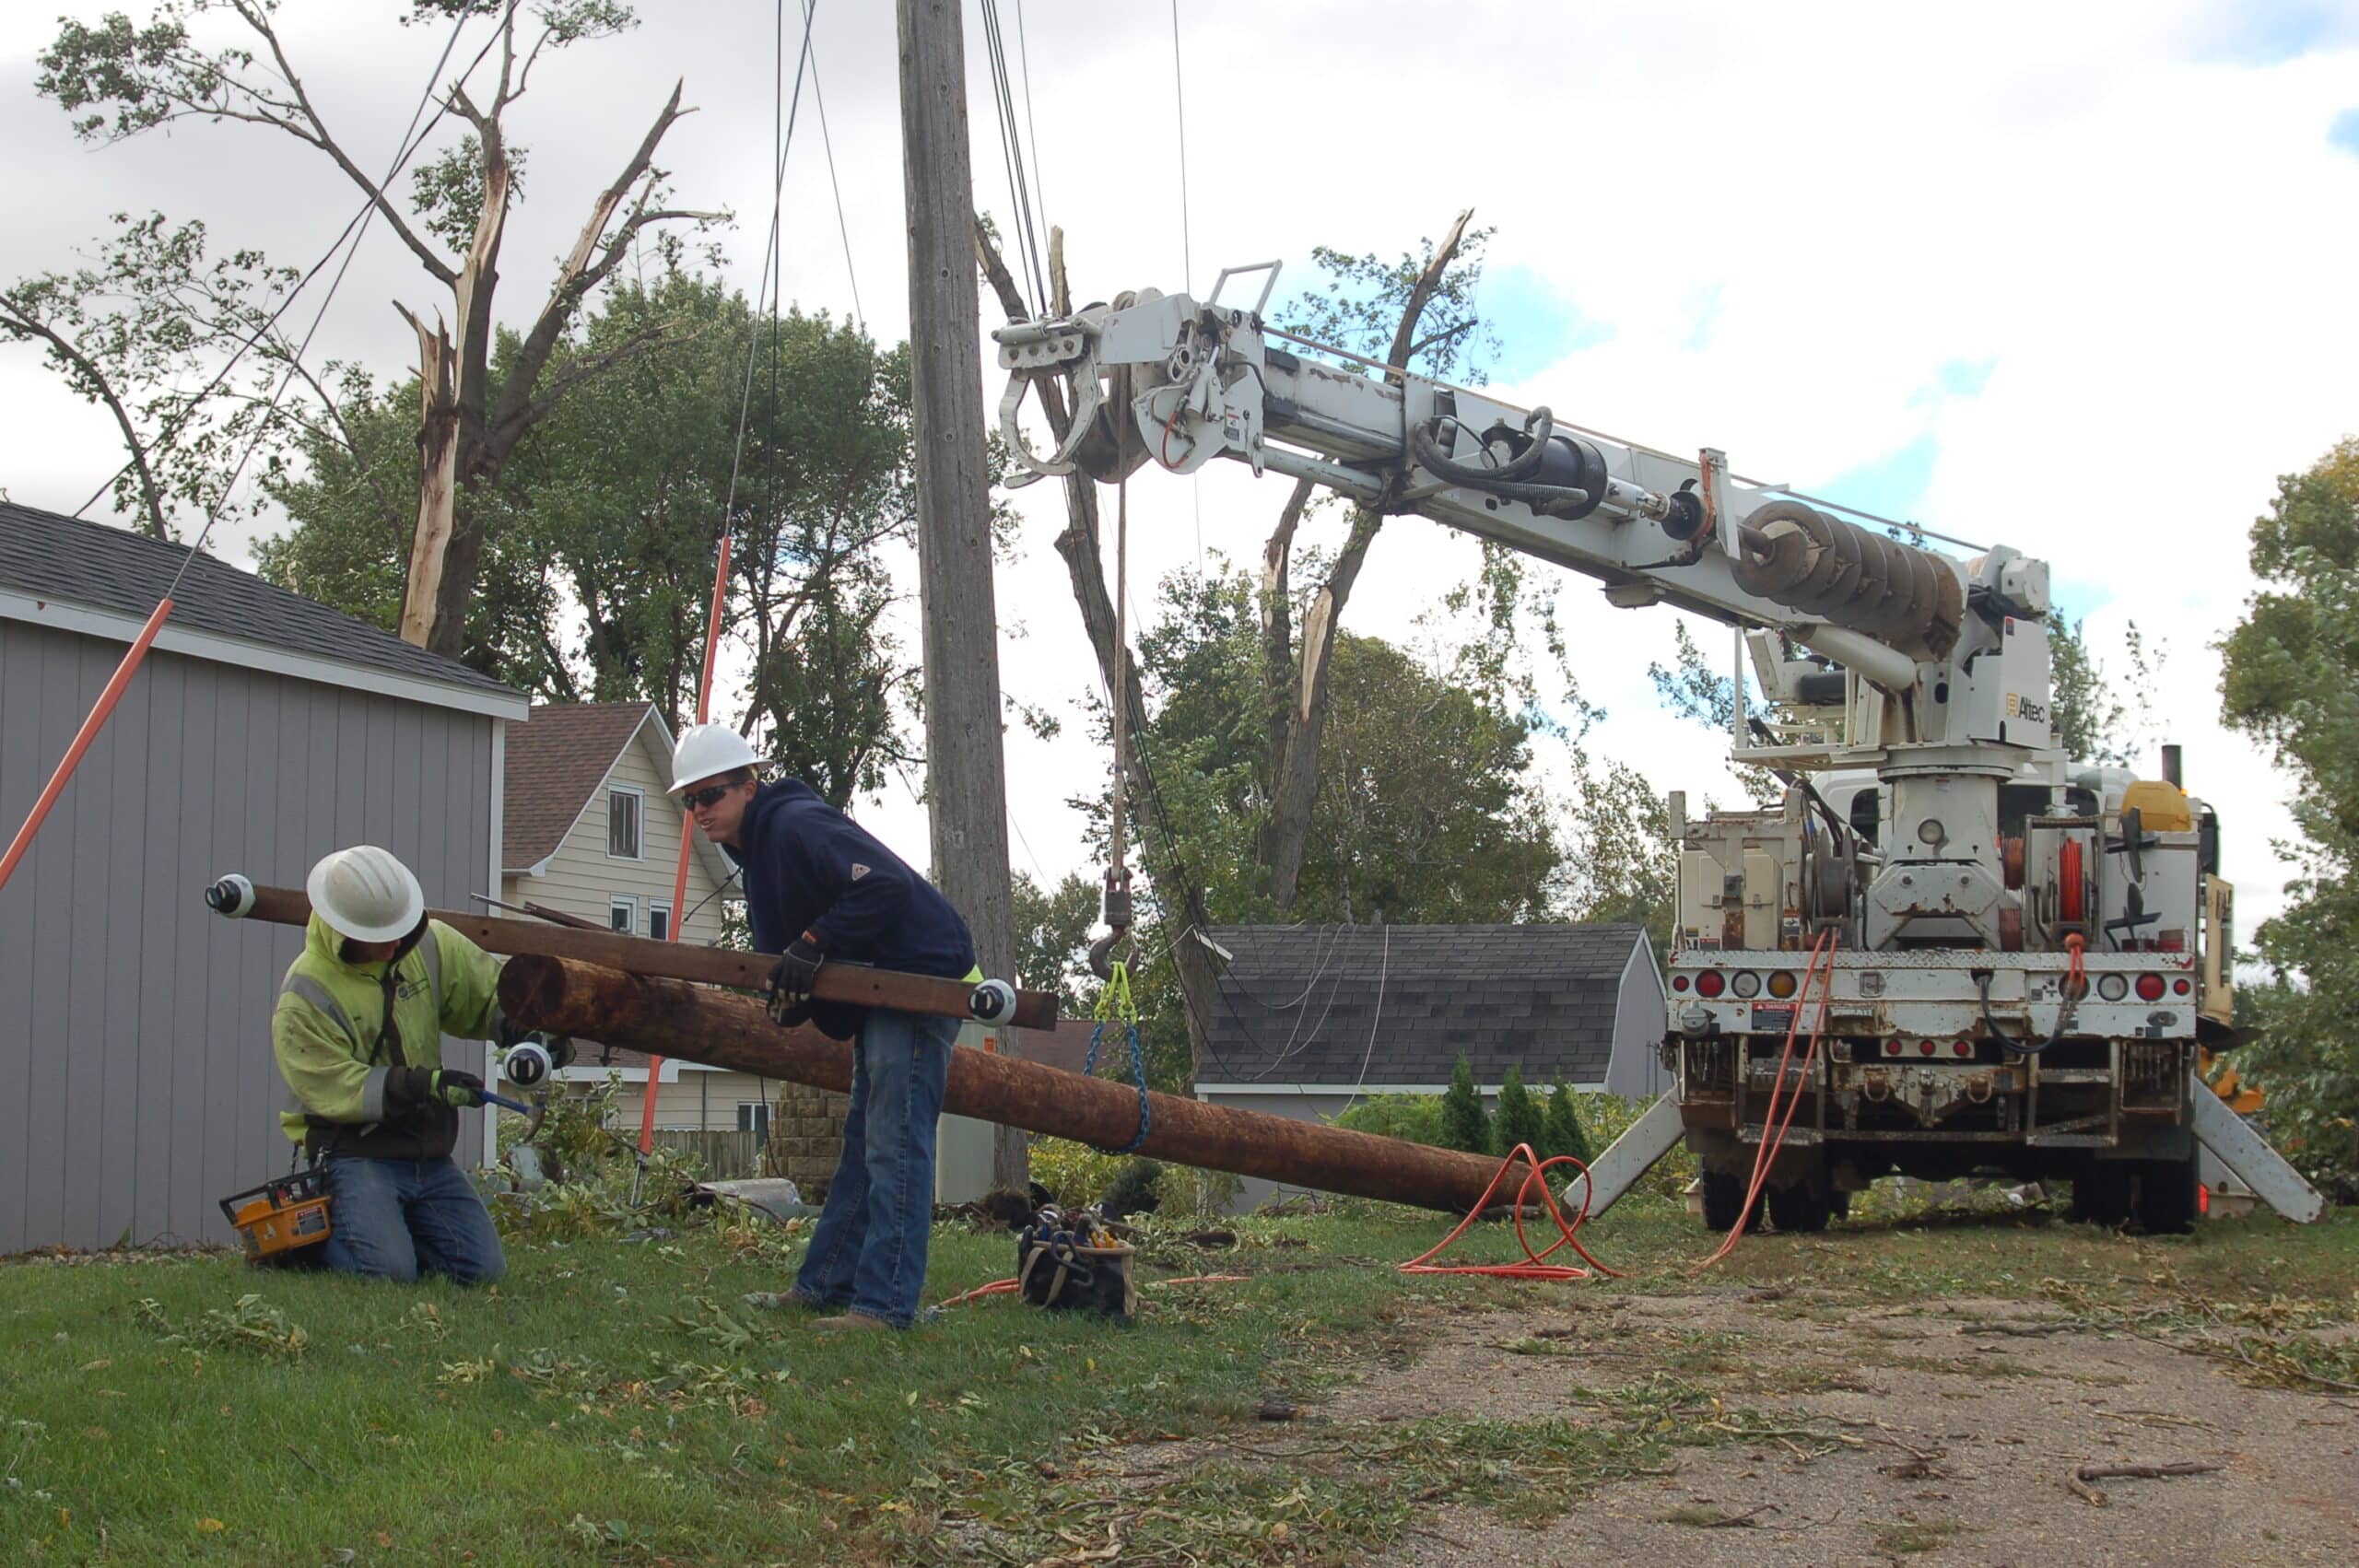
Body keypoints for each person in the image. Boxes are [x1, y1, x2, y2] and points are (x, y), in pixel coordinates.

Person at [669, 723, 978, 1332]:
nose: (700, 810)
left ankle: (885, 1307)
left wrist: (813, 942)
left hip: (920, 982)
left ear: (749, 786)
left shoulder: (793, 825)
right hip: (882, 988)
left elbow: (884, 885)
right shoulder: (759, 856)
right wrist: (795, 994)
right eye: (690, 801)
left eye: (711, 795)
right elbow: (793, 953)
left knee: (894, 1142)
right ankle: (826, 1285)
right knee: (865, 1144)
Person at [272, 845, 511, 1284]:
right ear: (342, 931)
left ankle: (388, 1231)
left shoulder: (430, 944)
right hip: (355, 1154)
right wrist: (423, 1086)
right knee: (386, 1273)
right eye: (379, 936)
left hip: (427, 1152)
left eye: (399, 930)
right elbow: (333, 1087)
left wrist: (528, 1026)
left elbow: (486, 997)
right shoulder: (306, 992)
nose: (395, 945)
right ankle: (319, 1244)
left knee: (483, 1271)